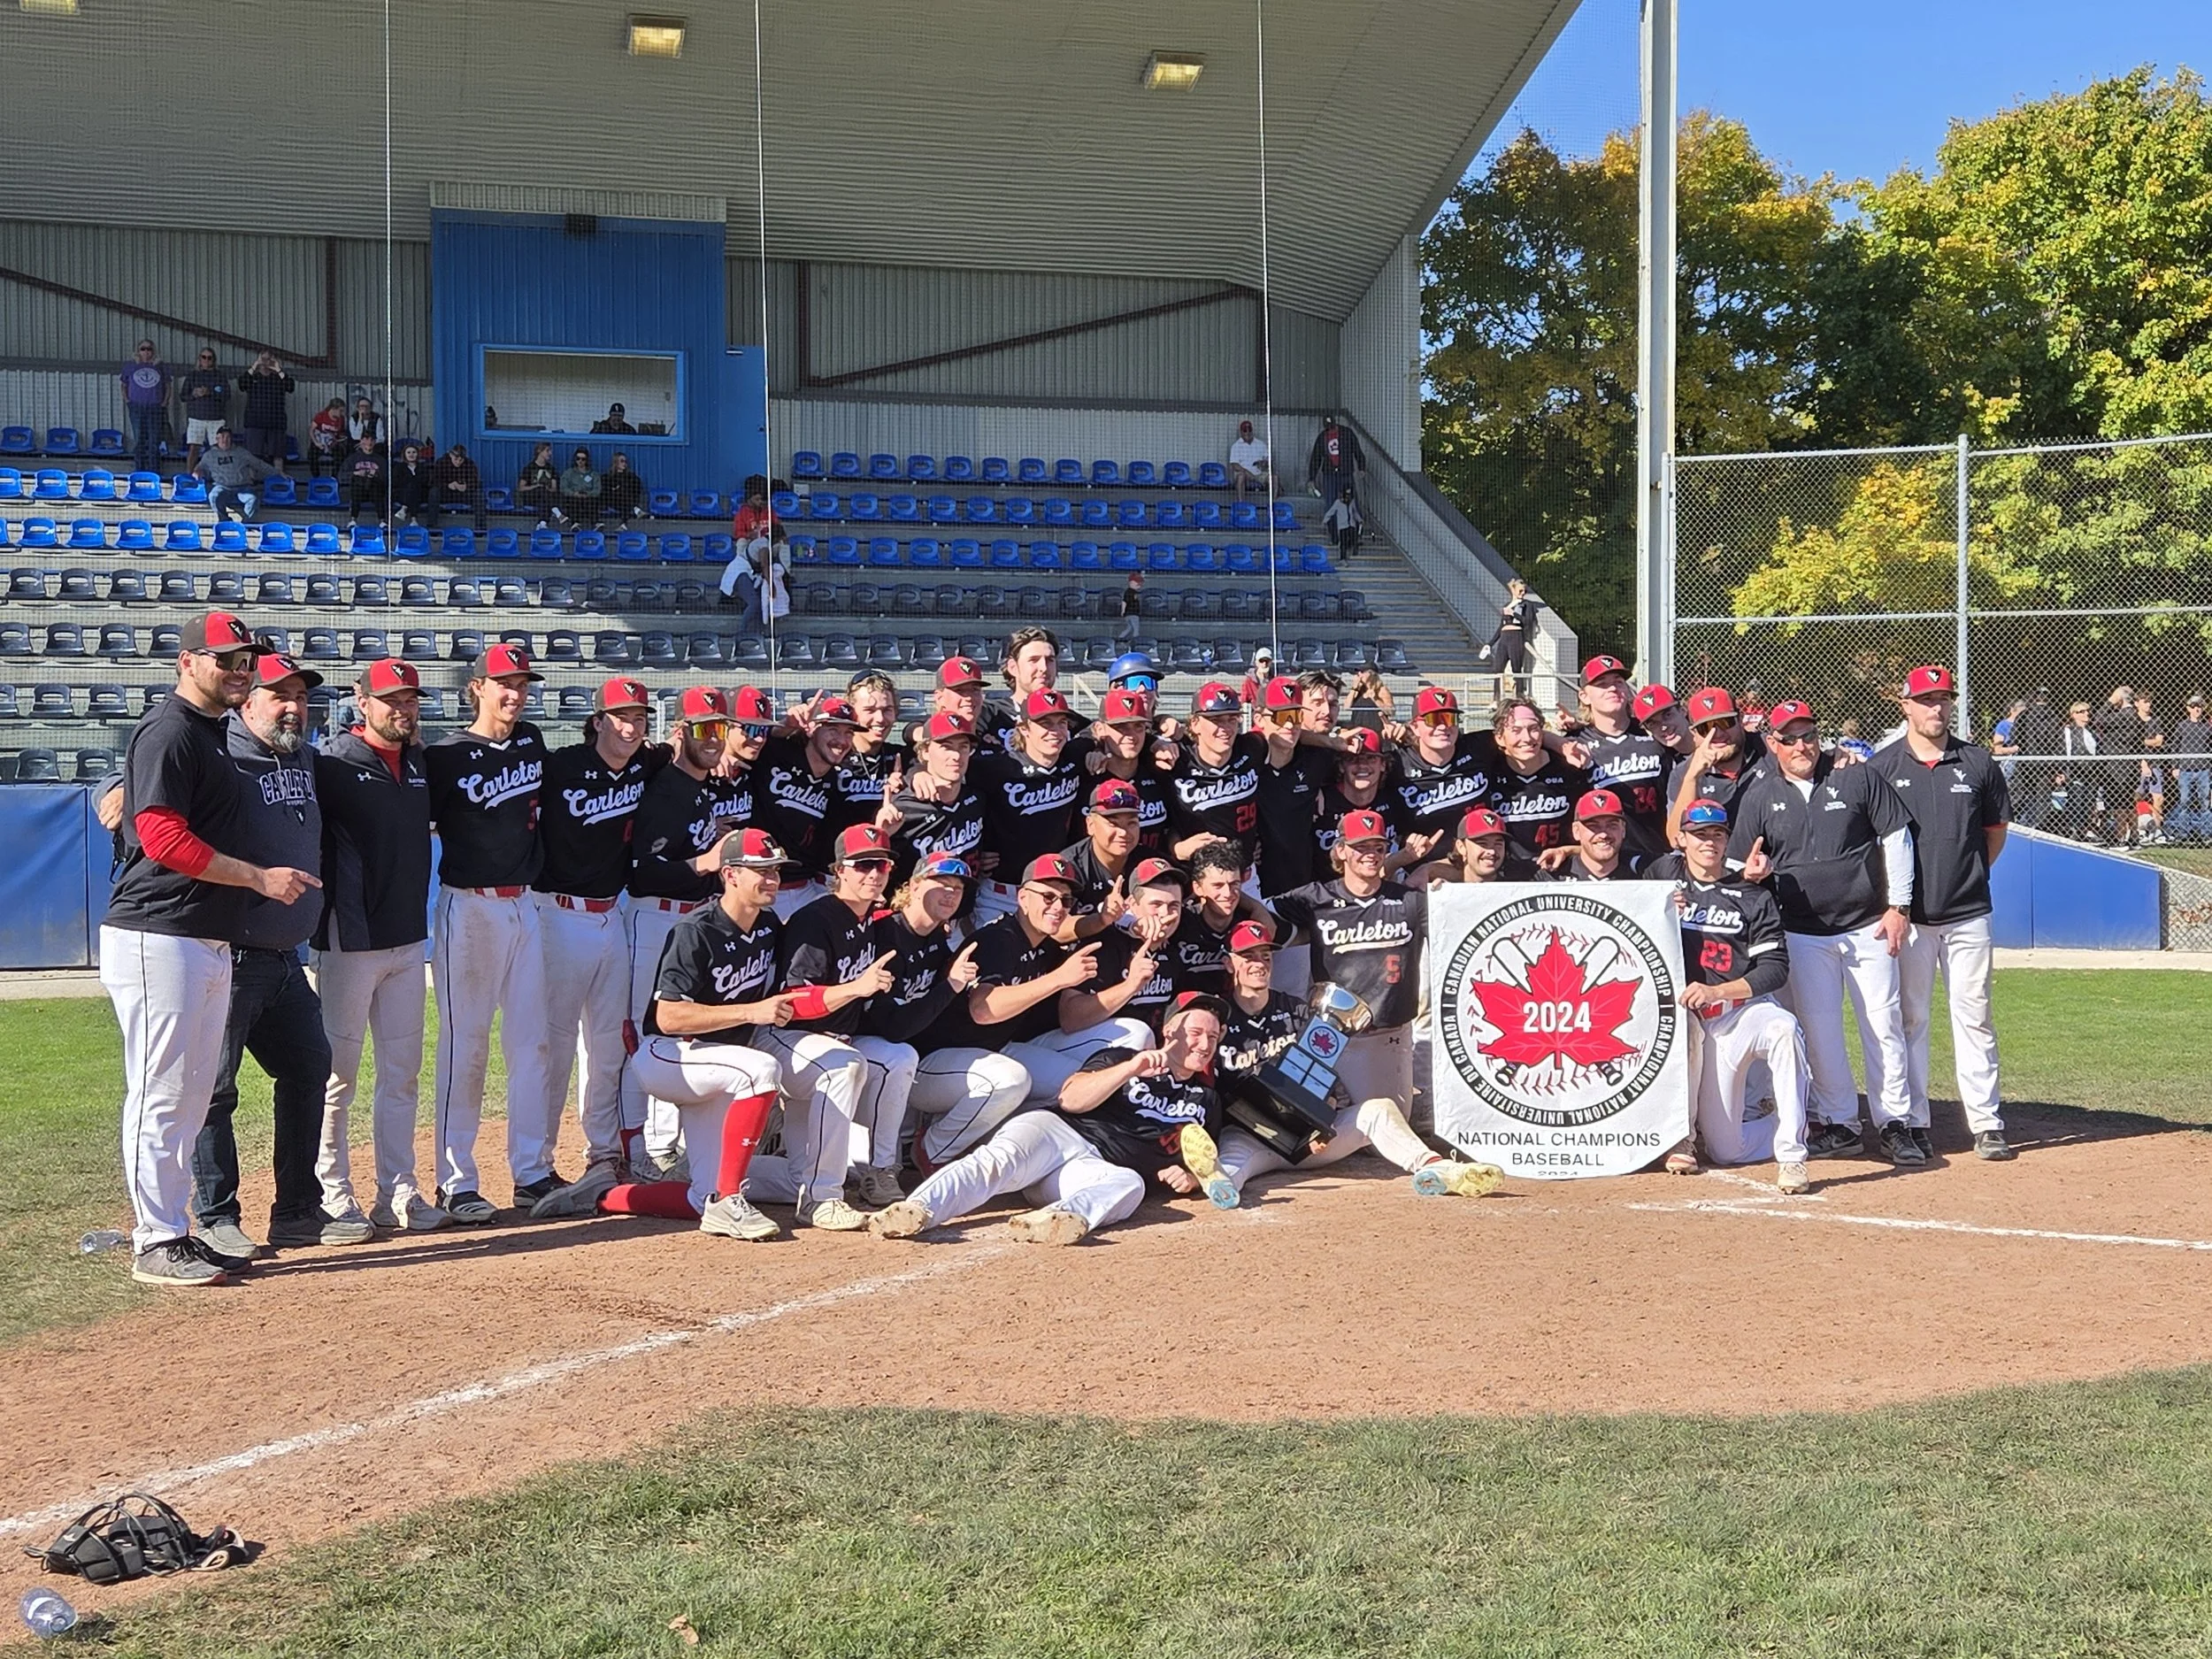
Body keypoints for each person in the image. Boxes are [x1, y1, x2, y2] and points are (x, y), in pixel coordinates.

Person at [101, 612, 319, 1287]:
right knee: (162, 1090)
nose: (238, 668)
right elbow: (161, 836)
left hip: (205, 935)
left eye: (244, 659)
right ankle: (155, 1238)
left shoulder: (209, 733)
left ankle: (179, 1229)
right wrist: (258, 877)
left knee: (193, 1095)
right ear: (187, 662)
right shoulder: (169, 730)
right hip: (156, 930)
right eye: (224, 658)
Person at [193, 651, 372, 1256]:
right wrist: (110, 791)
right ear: (246, 700)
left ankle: (297, 1210)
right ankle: (216, 1214)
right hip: (227, 952)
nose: (294, 705)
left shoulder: (306, 758)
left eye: (300, 695)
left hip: (282, 957)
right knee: (214, 1089)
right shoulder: (216, 750)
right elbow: (143, 777)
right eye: (279, 694)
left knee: (308, 1065)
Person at [871, 994, 1233, 1247]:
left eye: (1213, 1038)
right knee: (997, 1162)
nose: (1204, 1044)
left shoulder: (1207, 1100)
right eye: (1196, 1033)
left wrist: (1191, 1178)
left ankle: (1055, 1221)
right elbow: (1071, 1099)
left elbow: (1206, 1163)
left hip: (1093, 1172)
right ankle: (917, 1209)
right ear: (1170, 1031)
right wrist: (1129, 1069)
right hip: (1058, 1133)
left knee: (1130, 1186)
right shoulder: (1121, 1057)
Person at [1725, 698, 1918, 1165]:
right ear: (1772, 743)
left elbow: (1896, 837)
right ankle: (1840, 1123)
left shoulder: (1855, 774)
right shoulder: (1759, 792)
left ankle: (1895, 1124)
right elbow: (1735, 864)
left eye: (1808, 735)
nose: (1801, 746)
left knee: (1883, 1024)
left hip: (1868, 924)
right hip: (1803, 932)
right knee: (1820, 1030)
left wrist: (1900, 907)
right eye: (1788, 738)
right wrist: (1752, 874)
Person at [586, 829, 795, 1243]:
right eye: (761, 871)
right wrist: (750, 1011)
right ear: (730, 874)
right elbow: (669, 1016)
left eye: (775, 871)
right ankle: (729, 1201)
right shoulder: (696, 930)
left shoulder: (768, 925)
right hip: (669, 1056)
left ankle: (606, 1196)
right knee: (761, 1070)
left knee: (702, 1194)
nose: (771, 879)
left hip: (717, 1062)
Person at [1210, 921, 1502, 1202]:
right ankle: (1219, 1186)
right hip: (1253, 1137)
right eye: (1247, 956)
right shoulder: (1217, 1017)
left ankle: (1434, 1168)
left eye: (1266, 956)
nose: (1259, 963)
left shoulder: (1295, 1009)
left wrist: (1319, 1123)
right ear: (1229, 963)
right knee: (1226, 1169)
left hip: (1310, 1143)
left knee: (1379, 1110)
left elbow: (1325, 1075)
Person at [422, 642, 554, 1223]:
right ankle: (456, 1181)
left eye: (522, 683)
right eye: (503, 682)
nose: (514, 693)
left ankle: (532, 1173)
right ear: (476, 686)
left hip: (525, 907)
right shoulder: (445, 756)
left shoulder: (532, 741)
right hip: (470, 909)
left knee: (534, 1044)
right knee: (466, 1045)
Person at [311, 657, 442, 1233]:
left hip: (408, 939)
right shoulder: (333, 761)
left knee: (402, 1073)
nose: (402, 708)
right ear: (361, 701)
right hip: (348, 940)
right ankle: (333, 1191)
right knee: (336, 1076)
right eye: (390, 698)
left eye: (410, 698)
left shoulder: (417, 761)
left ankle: (399, 1190)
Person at [1867, 665, 2014, 1162]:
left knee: (1975, 1017)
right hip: (1910, 918)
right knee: (1911, 1017)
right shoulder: (1884, 766)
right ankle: (1915, 1120)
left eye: (1944, 699)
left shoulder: (1977, 762)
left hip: (1968, 911)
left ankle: (1987, 1122)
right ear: (1905, 705)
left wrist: (1968, 874)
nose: (1937, 708)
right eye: (1926, 700)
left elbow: (1994, 833)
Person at [523, 677, 656, 1220]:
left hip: (613, 916)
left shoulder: (650, 766)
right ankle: (534, 1164)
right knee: (549, 1048)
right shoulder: (559, 766)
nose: (630, 726)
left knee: (609, 1045)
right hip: (556, 913)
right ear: (598, 719)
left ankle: (603, 1151)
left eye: (640, 718)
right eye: (620, 716)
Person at [743, 824, 902, 1227]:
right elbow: (794, 1002)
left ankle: (711, 1169)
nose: (874, 874)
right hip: (784, 1037)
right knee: (844, 1065)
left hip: (824, 1042)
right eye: (862, 865)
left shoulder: (871, 919)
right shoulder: (815, 920)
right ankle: (821, 1199)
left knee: (897, 1059)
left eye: (881, 866)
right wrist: (856, 988)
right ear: (839, 871)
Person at [1653, 798, 1812, 1192]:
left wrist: (1718, 991)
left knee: (1784, 1028)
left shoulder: (1753, 894)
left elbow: (1774, 969)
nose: (1709, 842)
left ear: (1727, 841)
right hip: (1687, 1018)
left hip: (1739, 1013)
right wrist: (1657, 904)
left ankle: (1792, 1150)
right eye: (1700, 834)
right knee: (1725, 1148)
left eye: (1718, 835)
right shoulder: (1662, 877)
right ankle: (1683, 1135)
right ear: (1682, 839)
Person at [622, 687, 747, 1179]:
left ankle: (666, 1143)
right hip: (653, 915)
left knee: (685, 1028)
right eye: (704, 728)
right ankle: (639, 1147)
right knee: (640, 1029)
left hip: (687, 915)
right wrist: (705, 862)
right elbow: (643, 871)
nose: (715, 738)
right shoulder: (664, 788)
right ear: (680, 732)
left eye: (721, 727)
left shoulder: (698, 786)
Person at [925, 853, 1148, 1123]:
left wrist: (1104, 919)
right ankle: (932, 1150)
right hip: (939, 1059)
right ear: (1022, 898)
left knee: (1082, 1086)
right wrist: (1059, 978)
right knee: (1011, 1080)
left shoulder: (1042, 936)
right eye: (1048, 897)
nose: (1057, 906)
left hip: (999, 1049)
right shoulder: (998, 939)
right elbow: (982, 1010)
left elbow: (1068, 929)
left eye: (1065, 900)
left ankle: (992, 1132)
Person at [1267, 810, 1430, 1141]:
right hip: (1330, 1036)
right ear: (1340, 850)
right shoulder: (1314, 898)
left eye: (1378, 847)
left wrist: (1437, 869)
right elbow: (1262, 915)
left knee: (1388, 1128)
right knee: (1310, 1125)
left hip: (1389, 1033)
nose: (1370, 854)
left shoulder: (1411, 901)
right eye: (1360, 847)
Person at [867, 853, 1011, 1174]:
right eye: (941, 884)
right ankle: (884, 1166)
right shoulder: (885, 932)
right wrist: (951, 985)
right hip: (867, 1057)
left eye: (957, 888)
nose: (950, 894)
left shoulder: (937, 937)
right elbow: (892, 1028)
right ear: (915, 886)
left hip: (901, 1064)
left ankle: (913, 1147)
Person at [970, 688, 1085, 924]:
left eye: (1061, 723)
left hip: (1056, 895)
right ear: (1023, 729)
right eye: (1045, 723)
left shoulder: (1075, 758)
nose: (1055, 731)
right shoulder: (996, 768)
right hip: (1000, 895)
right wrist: (975, 853)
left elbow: (1102, 729)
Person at [756, 692, 860, 916]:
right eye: (833, 730)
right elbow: (745, 739)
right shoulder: (775, 752)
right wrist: (783, 726)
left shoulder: (838, 779)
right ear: (812, 729)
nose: (841, 741)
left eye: (848, 733)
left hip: (805, 887)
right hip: (759, 884)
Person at [1574, 655, 1675, 863]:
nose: (1612, 689)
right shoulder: (1576, 745)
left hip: (1660, 853)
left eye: (1619, 683)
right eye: (1602, 684)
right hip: (1607, 859)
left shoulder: (1652, 731)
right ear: (1584, 696)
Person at [877, 710, 987, 893]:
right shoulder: (904, 807)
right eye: (946, 747)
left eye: (963, 747)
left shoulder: (976, 799)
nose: (956, 756)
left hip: (967, 907)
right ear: (925, 752)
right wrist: (882, 835)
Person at [1486, 696, 1592, 863]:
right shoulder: (1488, 770)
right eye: (1516, 730)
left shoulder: (1569, 769)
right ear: (1500, 738)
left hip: (1562, 869)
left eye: (1533, 729)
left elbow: (1592, 835)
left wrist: (1568, 850)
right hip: (1507, 875)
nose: (1527, 738)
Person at [831, 671, 905, 836]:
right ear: (852, 713)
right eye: (869, 710)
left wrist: (918, 775)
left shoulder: (901, 758)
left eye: (887, 710)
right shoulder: (832, 757)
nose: (880, 719)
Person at [1540, 789, 1647, 882]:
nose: (1603, 834)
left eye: (1611, 825)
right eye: (1593, 826)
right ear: (1576, 831)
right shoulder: (1553, 876)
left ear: (1623, 829)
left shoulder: (1644, 870)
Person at [982, 626, 1061, 746]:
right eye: (1034, 660)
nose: (1044, 668)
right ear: (1013, 667)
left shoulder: (1067, 718)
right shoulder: (988, 715)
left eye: (1050, 660)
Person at [195, 426, 277, 524]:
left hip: (243, 488)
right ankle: (225, 522)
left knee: (253, 499)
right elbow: (200, 467)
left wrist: (277, 473)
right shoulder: (209, 455)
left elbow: (259, 464)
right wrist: (197, 471)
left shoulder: (242, 453)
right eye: (222, 437)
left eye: (228, 437)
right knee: (213, 496)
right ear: (217, 439)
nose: (225, 440)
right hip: (222, 488)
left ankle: (245, 525)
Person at [119, 339, 172, 472]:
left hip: (155, 407)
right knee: (139, 440)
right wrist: (127, 401)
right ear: (138, 351)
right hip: (136, 407)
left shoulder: (160, 366)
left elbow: (167, 385)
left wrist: (164, 402)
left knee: (154, 441)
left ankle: (154, 471)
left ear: (153, 352)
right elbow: (124, 385)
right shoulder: (130, 366)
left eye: (149, 349)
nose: (146, 352)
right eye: (143, 349)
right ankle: (140, 471)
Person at [1477, 579, 1535, 696]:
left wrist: (1514, 614)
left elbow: (1528, 622)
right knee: (1498, 668)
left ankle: (1519, 696)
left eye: (1524, 591)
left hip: (1516, 636)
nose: (1522, 593)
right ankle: (1496, 698)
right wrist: (1490, 644)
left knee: (1516, 668)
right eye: (1520, 591)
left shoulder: (1526, 605)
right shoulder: (1507, 606)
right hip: (1504, 637)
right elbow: (1501, 626)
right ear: (1513, 590)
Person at [236, 352, 294, 469]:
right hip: (255, 421)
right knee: (253, 454)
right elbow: (242, 385)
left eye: (269, 359)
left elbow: (290, 387)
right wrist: (255, 366)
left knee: (278, 454)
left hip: (276, 422)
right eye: (263, 359)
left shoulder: (279, 378)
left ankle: (279, 478)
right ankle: (251, 480)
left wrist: (278, 369)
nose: (266, 362)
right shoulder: (253, 378)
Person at [177, 348, 230, 472]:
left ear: (214, 360)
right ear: (199, 359)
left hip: (216, 419)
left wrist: (210, 393)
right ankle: (190, 476)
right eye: (203, 357)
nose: (206, 360)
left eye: (209, 357)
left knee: (218, 448)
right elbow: (183, 396)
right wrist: (194, 394)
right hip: (196, 418)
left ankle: (220, 475)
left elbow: (227, 396)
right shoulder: (192, 376)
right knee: (194, 447)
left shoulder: (220, 376)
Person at [2172, 694, 2212, 843]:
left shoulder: (2207, 727)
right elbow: (2175, 747)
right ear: (2188, 708)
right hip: (2186, 769)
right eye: (2194, 707)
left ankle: (2205, 834)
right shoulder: (2182, 726)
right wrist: (2175, 766)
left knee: (2205, 802)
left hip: (2203, 769)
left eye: (2200, 707)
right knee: (2185, 801)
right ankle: (2183, 833)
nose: (2197, 710)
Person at [1305, 411, 1365, 507]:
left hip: (1345, 471)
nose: (1331, 430)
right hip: (1330, 473)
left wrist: (1361, 467)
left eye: (1332, 427)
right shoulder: (1322, 437)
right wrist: (1312, 477)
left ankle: (1353, 520)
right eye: (1329, 428)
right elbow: (1316, 458)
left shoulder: (1347, 433)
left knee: (1349, 499)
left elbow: (1357, 450)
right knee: (1330, 500)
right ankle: (1331, 521)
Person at [433, 441, 488, 531]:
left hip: (463, 494)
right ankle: (432, 525)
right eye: (456, 459)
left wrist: (467, 486)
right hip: (446, 494)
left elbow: (475, 481)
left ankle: (480, 528)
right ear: (450, 455)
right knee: (434, 492)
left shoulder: (470, 464)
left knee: (479, 495)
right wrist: (448, 485)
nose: (458, 462)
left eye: (461, 460)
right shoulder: (441, 463)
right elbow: (434, 481)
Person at [342, 434, 387, 525]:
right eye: (366, 439)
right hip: (358, 490)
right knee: (356, 487)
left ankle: (382, 521)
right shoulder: (352, 459)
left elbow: (387, 477)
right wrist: (356, 473)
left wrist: (376, 474)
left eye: (372, 440)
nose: (369, 442)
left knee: (377, 488)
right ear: (361, 441)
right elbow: (342, 476)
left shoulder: (381, 460)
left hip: (375, 490)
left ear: (375, 442)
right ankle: (353, 520)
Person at [518, 442, 563, 528]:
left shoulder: (551, 469)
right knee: (541, 490)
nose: (550, 453)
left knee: (544, 498)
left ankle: (542, 523)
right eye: (547, 450)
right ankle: (556, 511)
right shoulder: (529, 468)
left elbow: (554, 488)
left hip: (546, 497)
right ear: (539, 451)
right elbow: (521, 487)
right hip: (532, 496)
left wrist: (547, 489)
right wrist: (535, 486)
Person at [388, 440, 434, 524]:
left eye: (414, 452)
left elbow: (424, 481)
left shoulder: (422, 467)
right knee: (411, 487)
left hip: (420, 493)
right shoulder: (399, 467)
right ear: (404, 454)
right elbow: (396, 482)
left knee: (414, 488)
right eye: (409, 452)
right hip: (402, 493)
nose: (411, 454)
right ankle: (413, 519)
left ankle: (404, 508)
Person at [558, 447, 603, 528]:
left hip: (588, 497)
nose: (580, 461)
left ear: (587, 460)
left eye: (583, 459)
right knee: (573, 501)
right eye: (578, 458)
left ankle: (595, 523)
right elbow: (563, 487)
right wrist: (574, 493)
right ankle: (575, 523)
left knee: (592, 501)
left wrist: (588, 494)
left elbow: (597, 490)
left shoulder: (594, 474)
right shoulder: (568, 473)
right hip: (573, 497)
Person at [603, 451, 647, 527]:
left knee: (625, 494)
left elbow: (637, 489)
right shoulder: (608, 477)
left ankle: (623, 524)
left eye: (625, 461)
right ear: (616, 462)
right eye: (622, 461)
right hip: (614, 501)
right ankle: (636, 509)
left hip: (627, 501)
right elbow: (607, 491)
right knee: (623, 493)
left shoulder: (631, 477)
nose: (624, 464)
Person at [1228, 419, 1271, 497]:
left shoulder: (1261, 444)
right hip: (1245, 474)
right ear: (1241, 432)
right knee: (1241, 476)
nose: (1247, 432)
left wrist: (1264, 463)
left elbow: (1268, 461)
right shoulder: (1236, 446)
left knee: (1274, 478)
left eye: (1249, 430)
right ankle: (1241, 504)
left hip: (1260, 473)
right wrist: (1247, 473)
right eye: (1245, 430)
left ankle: (1273, 504)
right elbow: (1234, 465)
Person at [307, 398, 348, 476]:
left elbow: (340, 433)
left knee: (340, 455)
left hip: (332, 443)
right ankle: (316, 476)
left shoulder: (341, 419)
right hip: (320, 442)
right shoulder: (321, 416)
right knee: (312, 455)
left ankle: (334, 476)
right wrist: (316, 443)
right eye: (341, 410)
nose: (342, 413)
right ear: (333, 409)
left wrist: (340, 439)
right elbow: (311, 430)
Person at [1321, 484, 1363, 561]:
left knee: (1354, 539)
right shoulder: (1338, 503)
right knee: (1343, 542)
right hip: (1342, 526)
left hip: (1351, 524)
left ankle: (1354, 552)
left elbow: (1354, 512)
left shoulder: (1352, 503)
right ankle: (1342, 557)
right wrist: (1325, 521)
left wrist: (1359, 519)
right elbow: (1331, 512)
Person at [1116, 569, 1144, 642]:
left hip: (1132, 613)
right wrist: (1123, 611)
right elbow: (1124, 601)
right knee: (1136, 629)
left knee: (1129, 628)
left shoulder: (1134, 592)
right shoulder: (1129, 592)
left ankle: (1120, 638)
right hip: (1132, 613)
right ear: (1131, 582)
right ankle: (1135, 642)